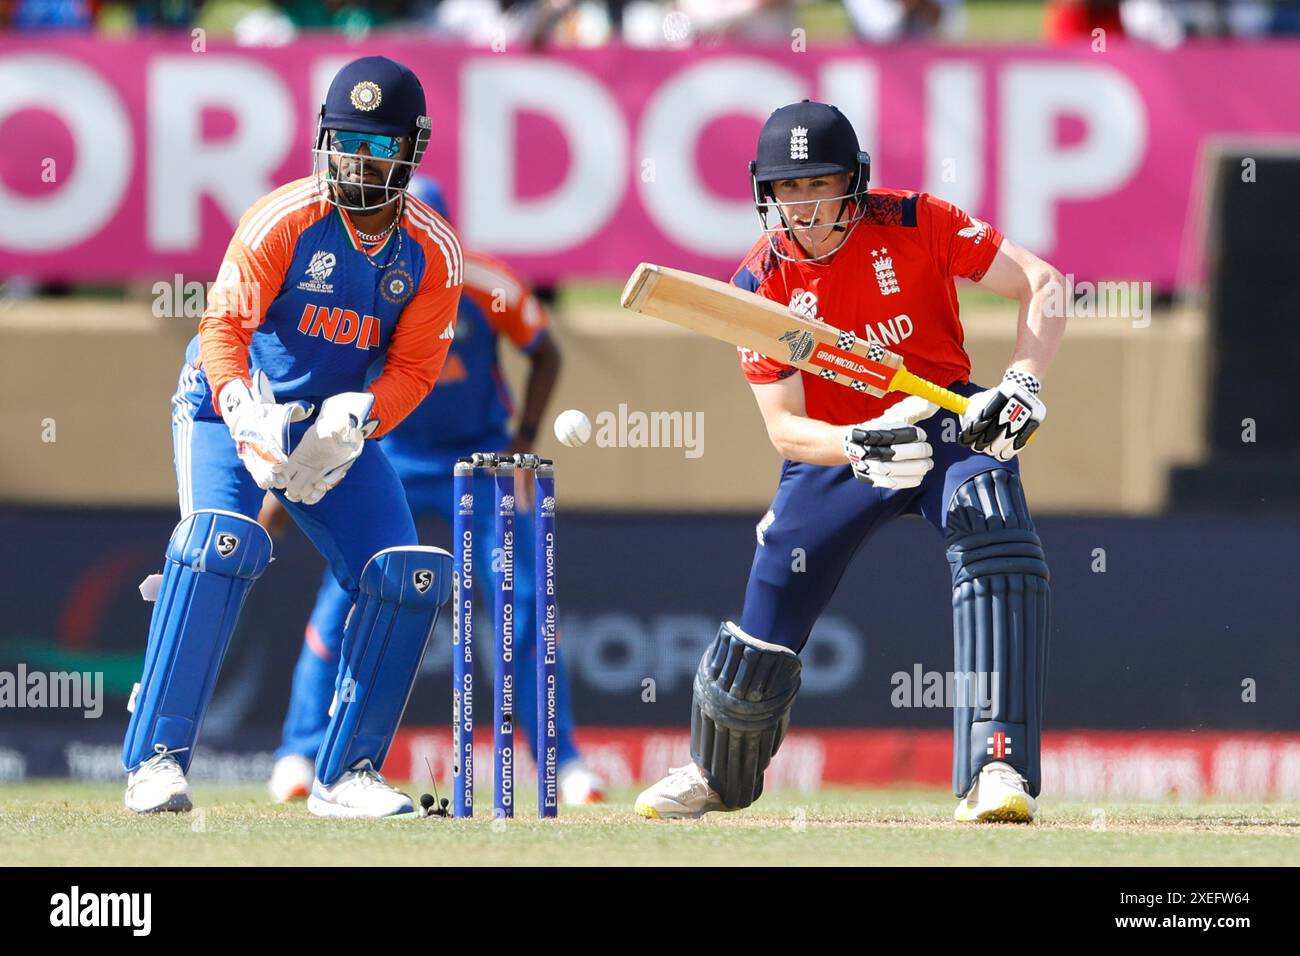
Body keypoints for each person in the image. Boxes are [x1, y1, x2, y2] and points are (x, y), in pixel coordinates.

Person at [634, 100, 1065, 823]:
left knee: (994, 528)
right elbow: (784, 429)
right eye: (789, 190)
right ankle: (716, 771)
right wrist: (858, 444)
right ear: (765, 195)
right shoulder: (760, 281)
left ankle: (998, 767)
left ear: (855, 182)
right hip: (841, 444)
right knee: (774, 589)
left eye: (822, 185)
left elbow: (1041, 282)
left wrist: (1020, 382)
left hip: (946, 420)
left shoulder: (916, 220)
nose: (805, 207)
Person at [122, 56, 464, 819]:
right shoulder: (285, 219)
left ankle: (348, 774)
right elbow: (223, 330)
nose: (358, 162)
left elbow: (413, 369)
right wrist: (244, 410)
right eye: (345, 142)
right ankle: (156, 760)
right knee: (219, 543)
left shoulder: (433, 253)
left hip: (332, 425)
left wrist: (356, 422)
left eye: (378, 147)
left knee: (403, 572)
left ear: (410, 152)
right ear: (324, 141)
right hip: (226, 406)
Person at [264, 176, 606, 806]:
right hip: (384, 455)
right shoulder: (354, 279)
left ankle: (562, 763)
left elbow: (546, 351)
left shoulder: (484, 282)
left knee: (522, 602)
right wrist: (280, 477)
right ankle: (299, 753)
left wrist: (522, 443)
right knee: (346, 602)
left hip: (479, 463)